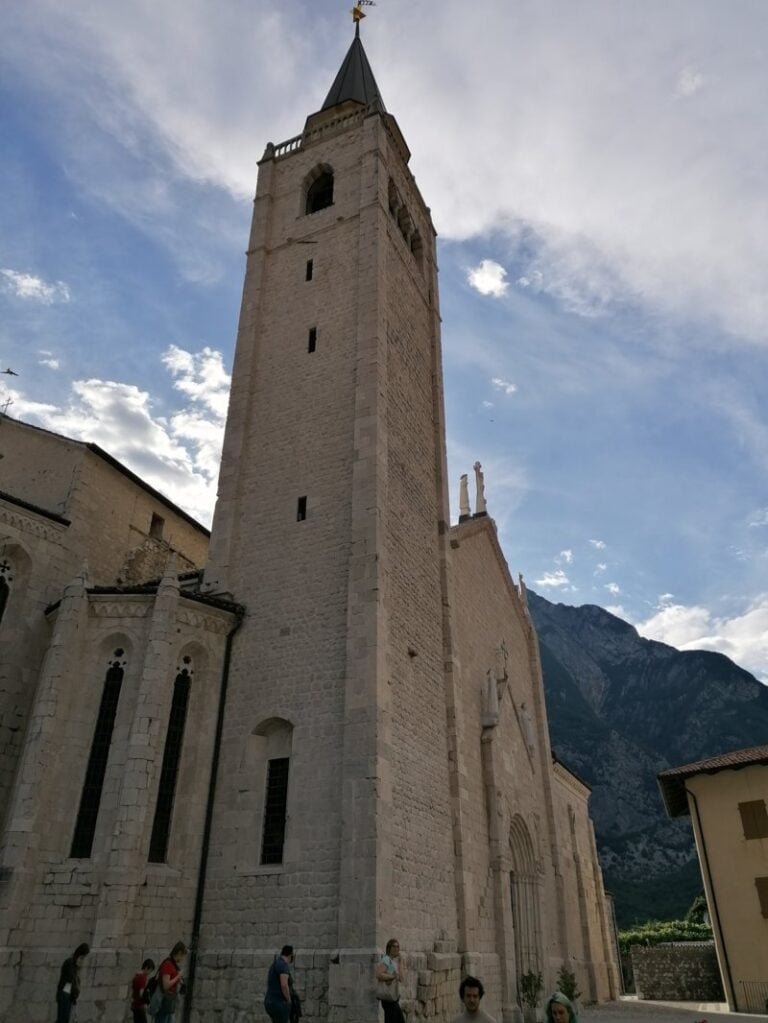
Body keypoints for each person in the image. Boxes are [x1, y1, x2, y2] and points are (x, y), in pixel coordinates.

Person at [55, 943, 90, 1023]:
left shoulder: (74, 965)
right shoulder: (69, 963)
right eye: (81, 957)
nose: (82, 960)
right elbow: (70, 979)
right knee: (62, 1019)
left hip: (68, 996)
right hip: (64, 994)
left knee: (64, 1019)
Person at [155, 941, 187, 1023]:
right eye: (183, 956)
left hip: (170, 1002)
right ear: (179, 953)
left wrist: (179, 980)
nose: (182, 959)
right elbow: (166, 985)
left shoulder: (173, 965)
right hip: (164, 1002)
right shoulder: (168, 964)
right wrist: (178, 976)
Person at [375, 939, 405, 1023]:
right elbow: (378, 974)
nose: (396, 948)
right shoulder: (386, 959)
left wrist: (400, 962)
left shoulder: (393, 962)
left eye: (398, 946)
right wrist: (392, 977)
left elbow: (401, 979)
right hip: (388, 998)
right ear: (389, 948)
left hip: (393, 999)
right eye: (394, 946)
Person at [265, 945, 295, 1023]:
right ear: (290, 955)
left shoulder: (275, 964)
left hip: (270, 1001)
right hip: (279, 1003)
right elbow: (284, 985)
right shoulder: (283, 965)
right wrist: (289, 1000)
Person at [130, 957, 155, 1023]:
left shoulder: (137, 976)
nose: (150, 973)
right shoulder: (142, 978)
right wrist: (148, 1001)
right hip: (139, 1006)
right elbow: (141, 993)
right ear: (146, 968)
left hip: (135, 1005)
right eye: (150, 970)